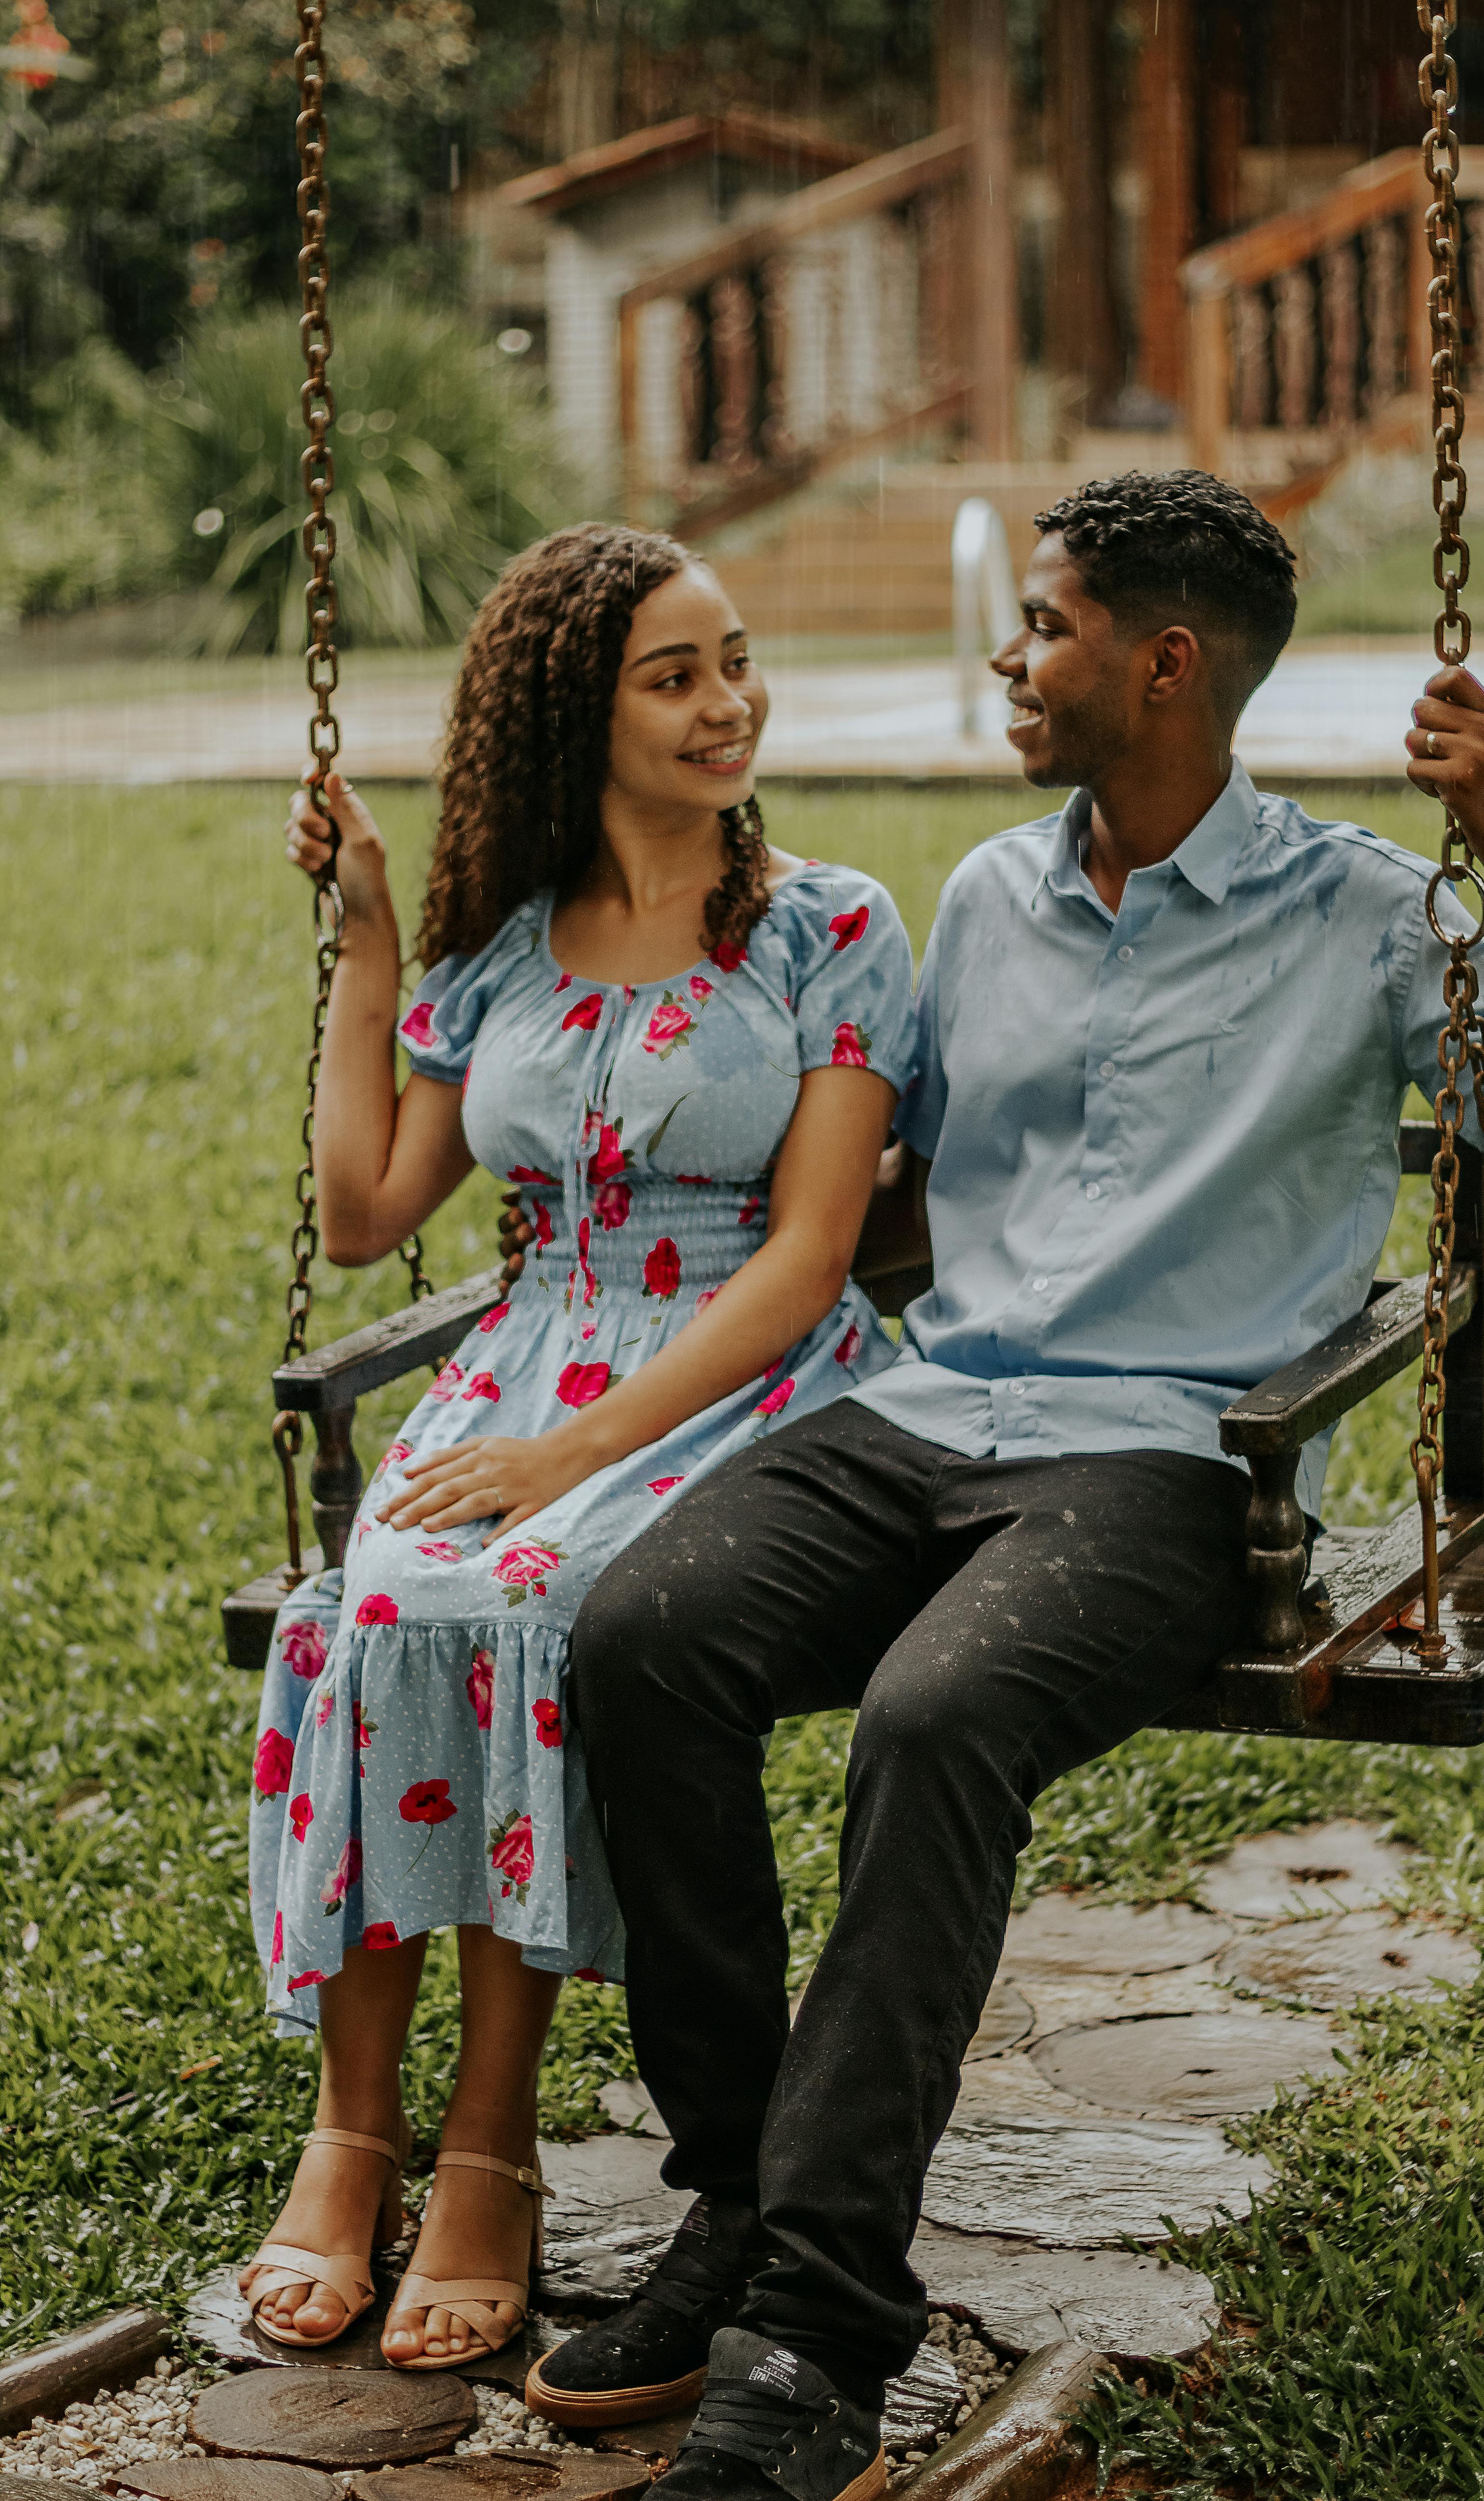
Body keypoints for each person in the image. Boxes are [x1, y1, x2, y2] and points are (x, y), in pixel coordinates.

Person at [527, 471, 1484, 2500]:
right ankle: (738, 2201)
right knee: (641, 1633)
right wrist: (660, 1280)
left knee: (936, 1718)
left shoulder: (1365, 915)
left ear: (1163, 664)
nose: (1006, 657)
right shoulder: (988, 896)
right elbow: (889, 1208)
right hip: (930, 1416)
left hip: (1168, 1469)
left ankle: (815, 2331)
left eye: (1041, 625)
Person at [239, 524, 916, 2371]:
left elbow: (809, 1257)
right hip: (526, 1356)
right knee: (385, 1601)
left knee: (527, 1602)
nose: (729, 705)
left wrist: (577, 1456)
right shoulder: (505, 943)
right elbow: (374, 1208)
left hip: (747, 1379)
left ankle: (493, 2145)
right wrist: (375, 939)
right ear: (573, 711)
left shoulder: (830, 928)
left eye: (735, 663)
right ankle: (350, 2135)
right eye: (676, 675)